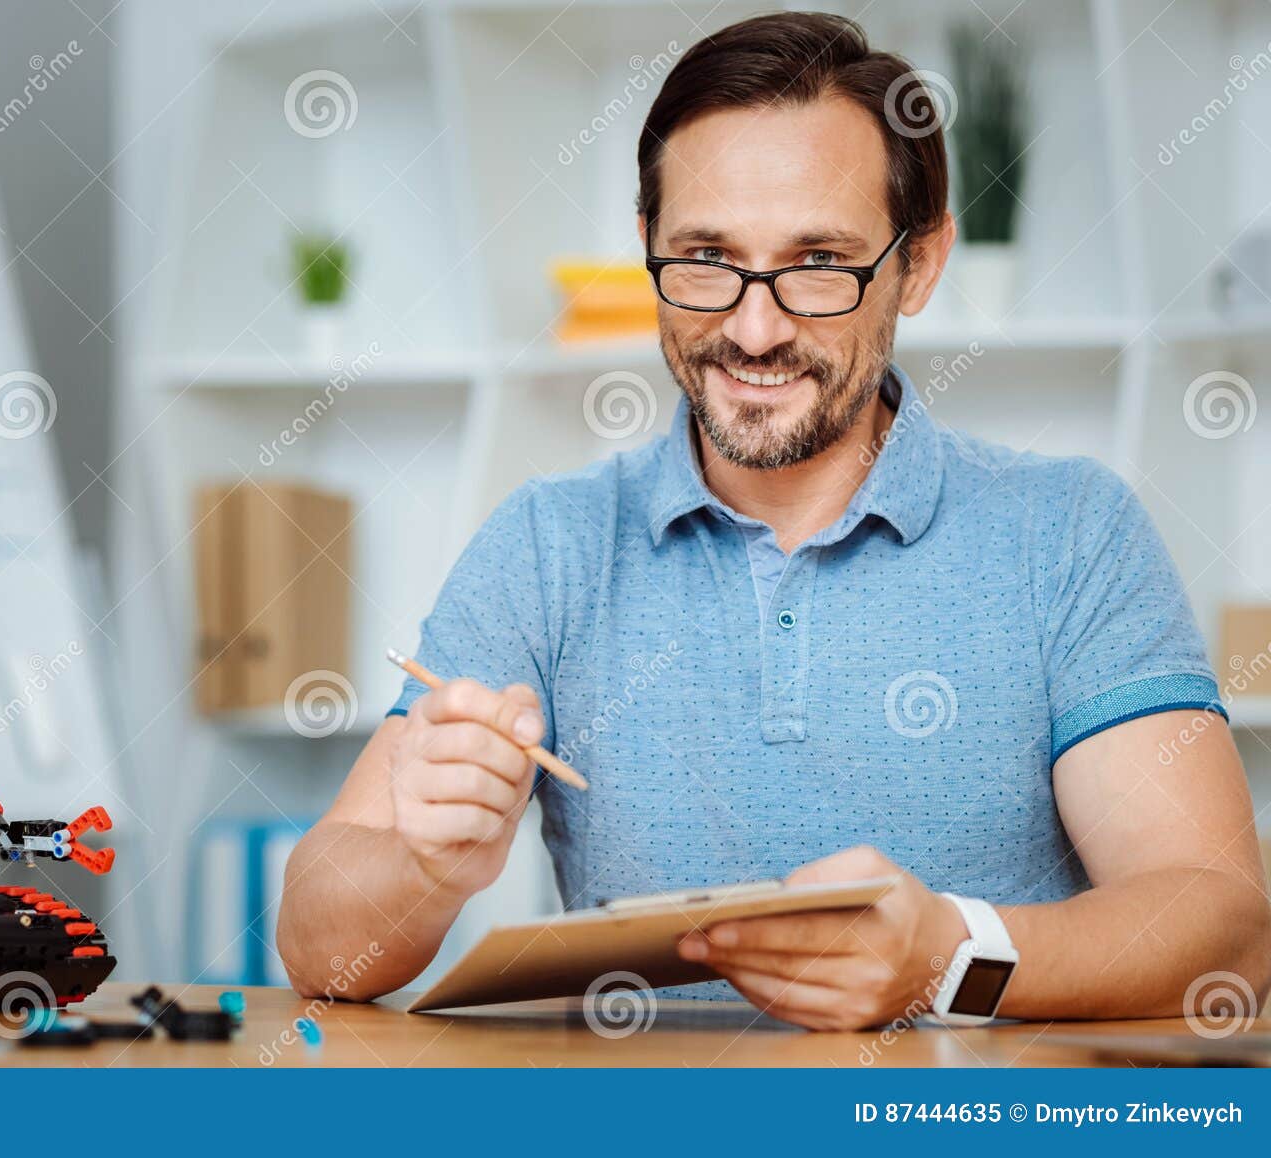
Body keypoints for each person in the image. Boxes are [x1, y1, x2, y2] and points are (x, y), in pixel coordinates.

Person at [276, 11, 1270, 1030]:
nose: (755, 329)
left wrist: (947, 957)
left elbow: (1222, 928)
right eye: (706, 256)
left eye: (818, 263)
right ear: (647, 253)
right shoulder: (548, 545)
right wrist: (423, 866)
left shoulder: (1068, 533)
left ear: (917, 265)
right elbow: (317, 948)